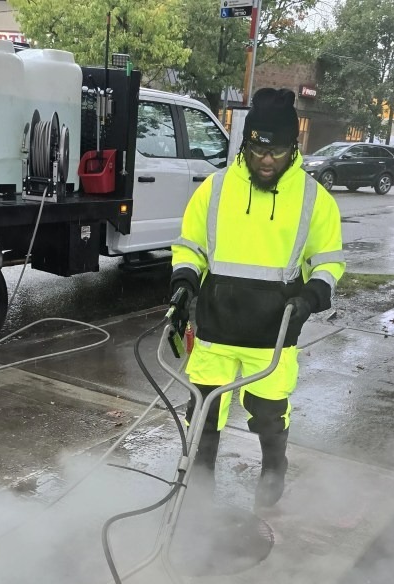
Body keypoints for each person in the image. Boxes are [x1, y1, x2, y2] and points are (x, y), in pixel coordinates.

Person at [169, 87, 345, 514]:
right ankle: (199, 492)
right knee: (203, 415)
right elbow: (191, 246)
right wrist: (184, 282)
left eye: (278, 149)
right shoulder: (214, 189)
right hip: (214, 328)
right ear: (246, 143)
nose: (267, 158)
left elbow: (328, 261)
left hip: (274, 331)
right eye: (259, 146)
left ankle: (272, 472)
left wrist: (312, 297)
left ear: (293, 147)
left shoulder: (313, 199)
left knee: (268, 415)